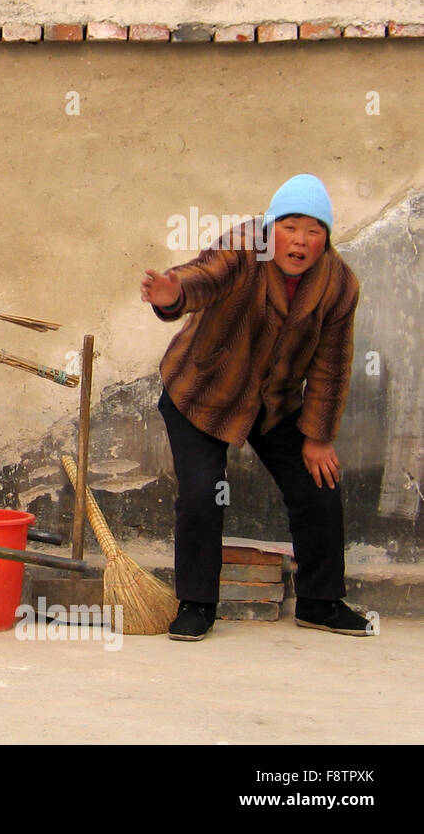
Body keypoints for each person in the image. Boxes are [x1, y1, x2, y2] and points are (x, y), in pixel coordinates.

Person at [139, 174, 372, 640]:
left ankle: (320, 601)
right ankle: (196, 604)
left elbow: (332, 364)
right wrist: (174, 295)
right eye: (290, 226)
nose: (301, 241)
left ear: (326, 238)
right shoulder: (245, 249)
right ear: (271, 229)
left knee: (319, 486)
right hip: (203, 392)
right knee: (204, 493)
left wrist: (319, 436)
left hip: (274, 403)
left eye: (314, 230)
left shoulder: (339, 284)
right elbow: (205, 275)